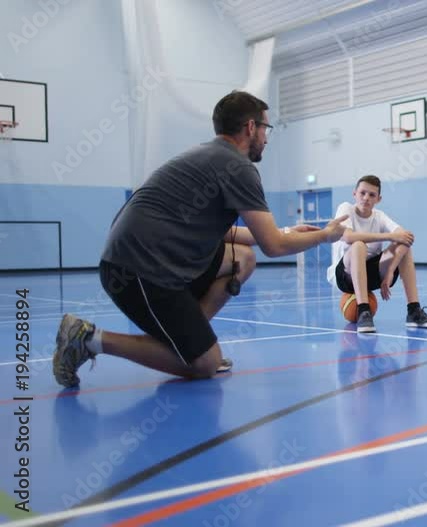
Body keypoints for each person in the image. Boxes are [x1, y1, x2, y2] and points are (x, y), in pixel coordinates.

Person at [52, 90, 348, 387]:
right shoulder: (239, 167)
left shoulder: (207, 156)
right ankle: (89, 339)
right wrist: (325, 235)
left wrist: (284, 231)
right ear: (250, 127)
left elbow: (236, 233)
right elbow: (274, 246)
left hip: (151, 257)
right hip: (138, 269)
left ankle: (190, 341)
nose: (266, 138)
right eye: (265, 129)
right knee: (206, 364)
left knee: (242, 258)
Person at [327, 175, 427, 333]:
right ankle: (363, 311)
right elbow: (348, 237)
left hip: (371, 273)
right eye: (362, 193)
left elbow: (405, 236)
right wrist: (389, 236)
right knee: (358, 245)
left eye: (372, 195)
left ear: (378, 199)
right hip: (345, 275)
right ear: (354, 194)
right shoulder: (345, 208)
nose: (366, 198)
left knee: (404, 244)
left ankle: (413, 310)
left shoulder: (379, 216)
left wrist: (390, 270)